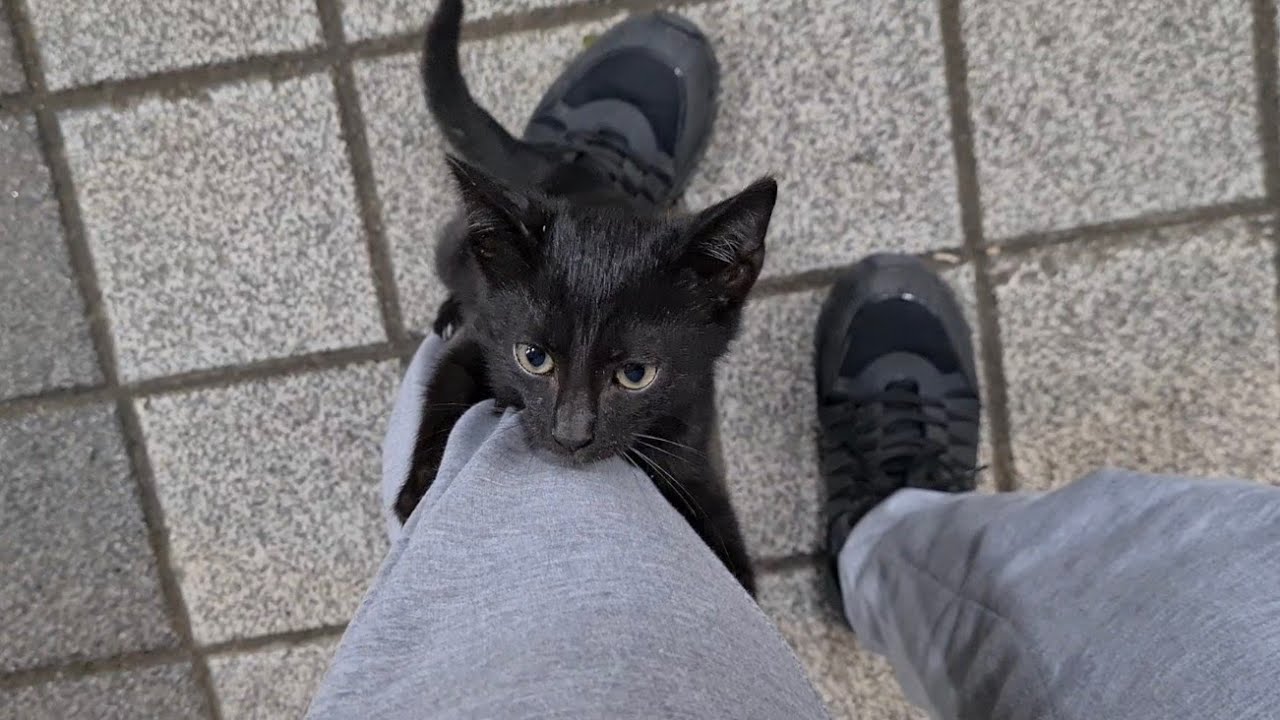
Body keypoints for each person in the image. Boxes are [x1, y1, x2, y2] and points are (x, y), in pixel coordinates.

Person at [307, 11, 1280, 720]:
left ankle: (890, 542)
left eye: (625, 378)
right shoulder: (551, 345)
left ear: (724, 290)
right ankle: (903, 537)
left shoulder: (658, 342)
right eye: (543, 368)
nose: (565, 427)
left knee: (499, 502)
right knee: (1195, 583)